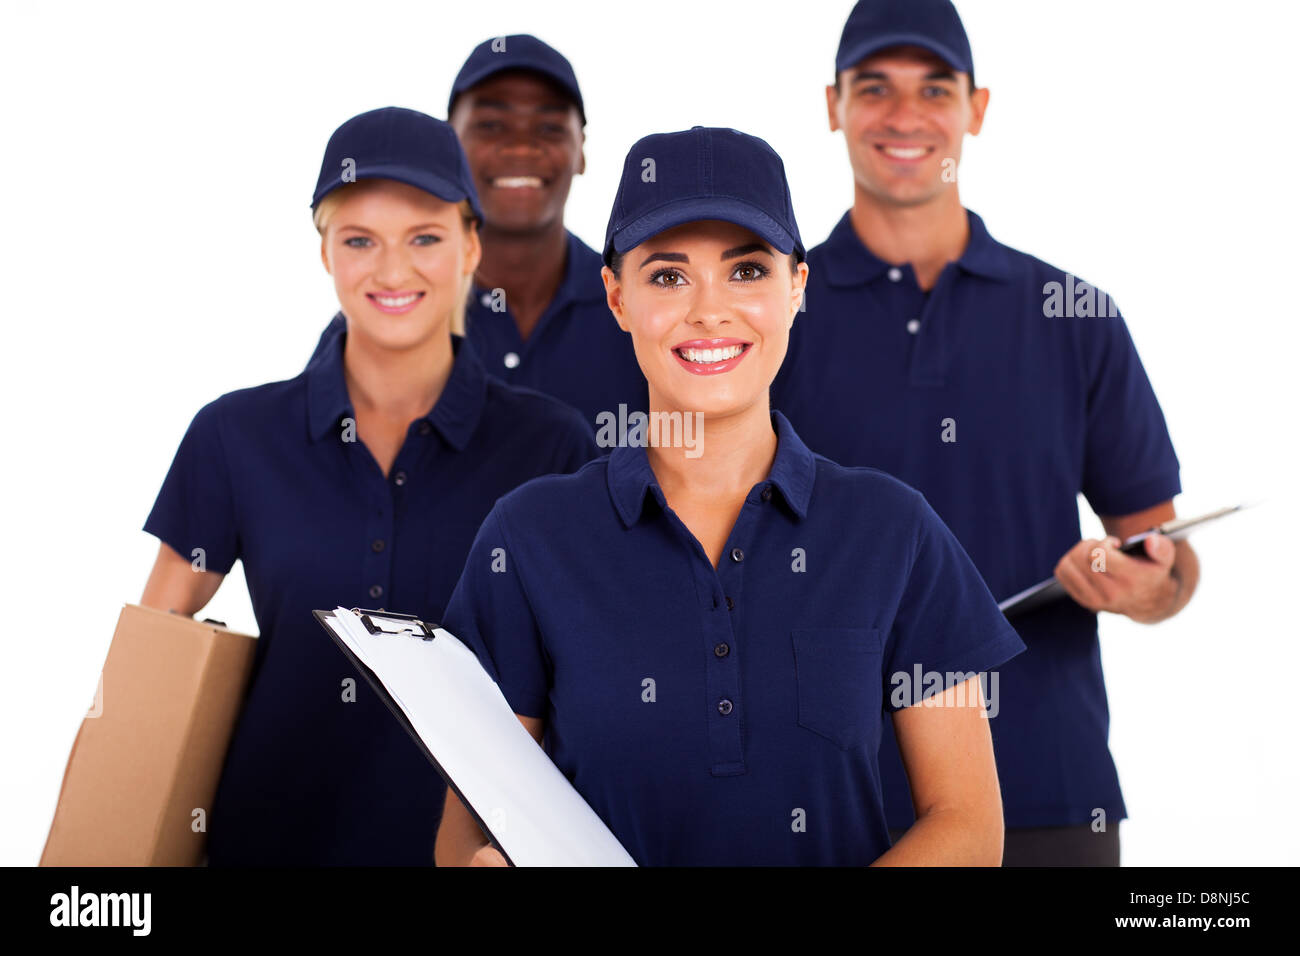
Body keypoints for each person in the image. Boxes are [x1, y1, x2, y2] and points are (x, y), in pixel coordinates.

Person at [434, 126, 1026, 867]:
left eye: (747, 272)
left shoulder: (894, 530)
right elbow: (467, 836)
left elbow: (968, 825)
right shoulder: (527, 539)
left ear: (797, 289)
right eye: (669, 276)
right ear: (616, 296)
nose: (709, 311)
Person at [770, 0, 1199, 866]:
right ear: (832, 105)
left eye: (935, 88)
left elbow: (1169, 565)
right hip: (833, 797)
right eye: (875, 88)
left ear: (977, 108)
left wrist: (1135, 581)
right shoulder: (773, 318)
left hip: (1048, 795)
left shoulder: (1073, 317)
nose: (904, 116)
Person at [140, 107, 596, 865]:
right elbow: (150, 664)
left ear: (471, 247)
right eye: (360, 240)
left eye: (424, 238)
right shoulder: (235, 435)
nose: (391, 271)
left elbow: (590, 674)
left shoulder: (551, 443)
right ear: (324, 250)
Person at [307, 34, 646, 432]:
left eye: (549, 127)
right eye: (491, 125)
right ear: (450, 146)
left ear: (581, 149)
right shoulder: (390, 313)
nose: (521, 147)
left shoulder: (641, 307)